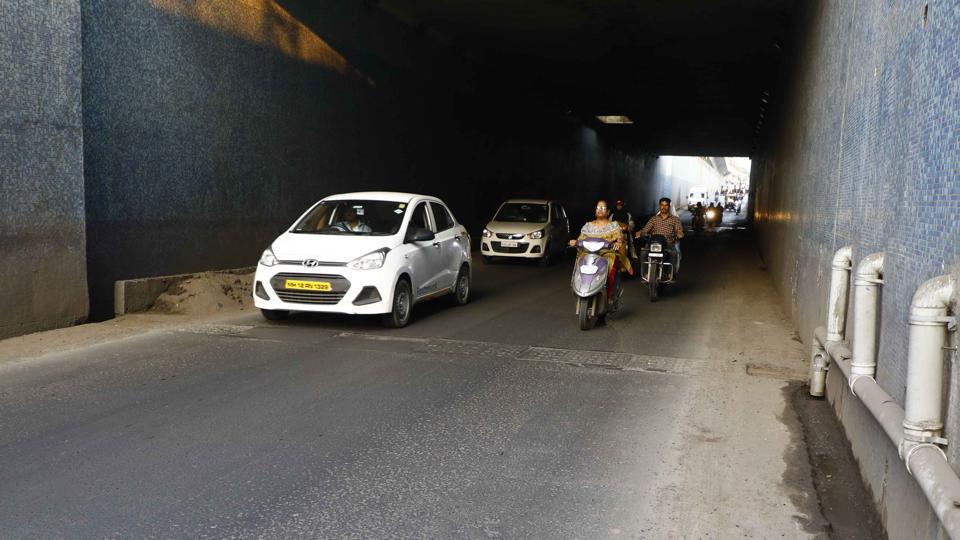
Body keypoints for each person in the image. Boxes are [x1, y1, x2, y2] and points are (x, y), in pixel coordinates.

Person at [568, 200, 633, 300]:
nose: (600, 210)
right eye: (598, 208)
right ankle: (580, 287)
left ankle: (609, 295)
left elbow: (620, 237)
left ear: (608, 212)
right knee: (580, 262)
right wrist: (575, 242)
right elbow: (580, 239)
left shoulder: (614, 225)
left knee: (611, 264)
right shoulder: (587, 225)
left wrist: (618, 242)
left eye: (603, 208)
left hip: (607, 252)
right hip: (588, 252)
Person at [636, 197, 684, 273]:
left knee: (674, 254)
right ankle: (644, 273)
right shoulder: (654, 219)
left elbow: (679, 229)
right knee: (643, 253)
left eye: (666, 205)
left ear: (669, 206)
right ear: (659, 206)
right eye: (662, 205)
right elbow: (646, 229)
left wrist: (679, 233)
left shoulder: (675, 219)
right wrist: (641, 232)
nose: (664, 207)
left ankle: (671, 273)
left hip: (668, 244)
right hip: (654, 243)